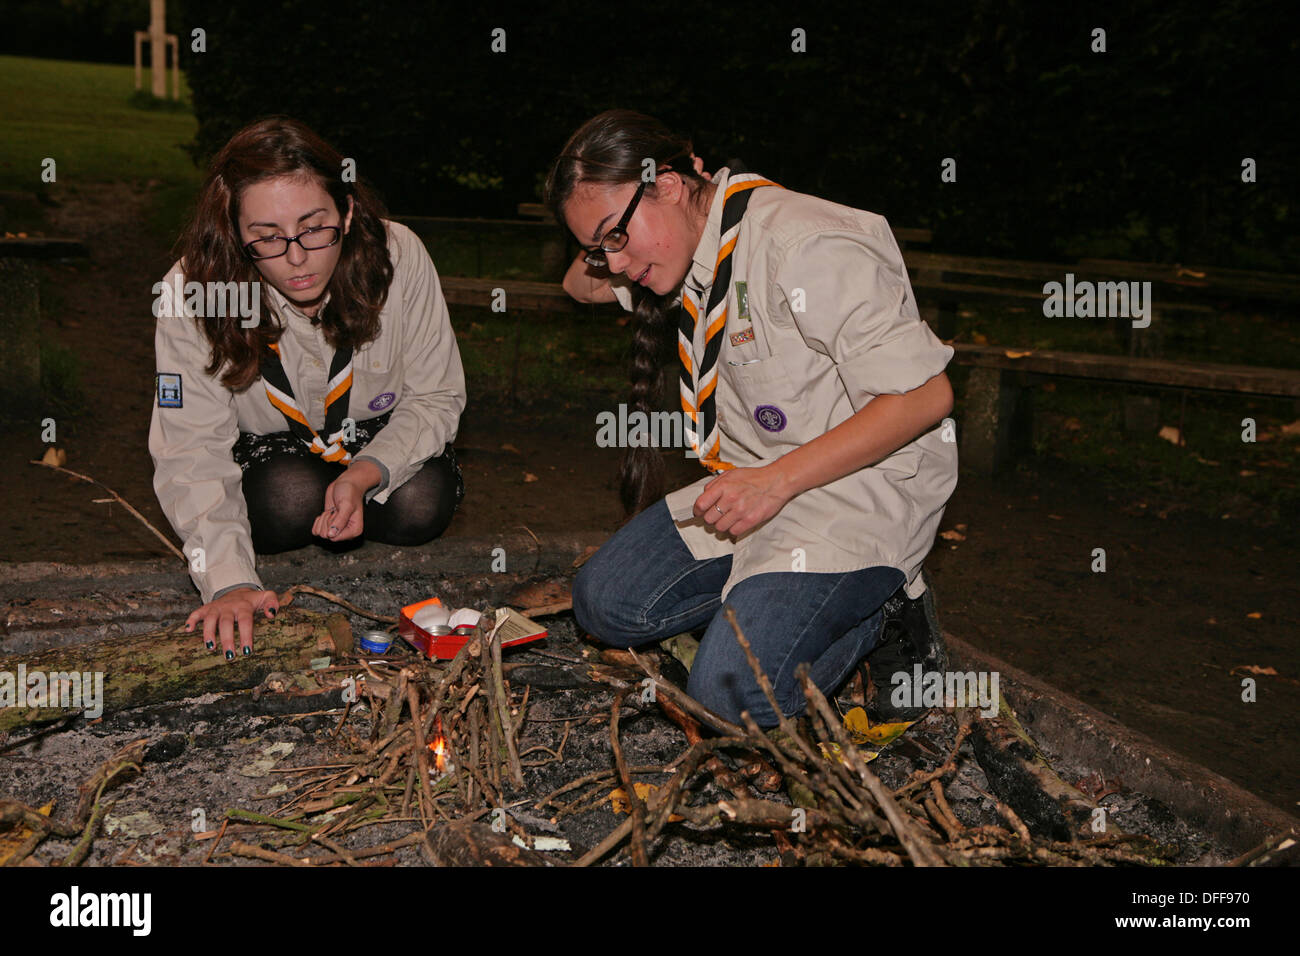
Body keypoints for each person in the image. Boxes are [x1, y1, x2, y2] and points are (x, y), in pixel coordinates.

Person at [547, 110, 957, 727]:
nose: (617, 264)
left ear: (668, 185)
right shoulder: (688, 246)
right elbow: (578, 288)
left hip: (856, 489)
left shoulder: (803, 243)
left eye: (616, 237)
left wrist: (775, 483)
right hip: (752, 485)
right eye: (599, 245)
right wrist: (609, 234)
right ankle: (766, 606)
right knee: (603, 605)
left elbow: (926, 397)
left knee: (729, 694)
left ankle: (885, 608)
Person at [149, 117, 465, 660]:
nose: (296, 258)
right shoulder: (192, 290)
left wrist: (365, 473)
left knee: (421, 501)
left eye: (314, 228)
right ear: (233, 233)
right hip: (269, 450)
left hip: (374, 435)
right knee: (286, 496)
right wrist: (228, 582)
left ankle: (355, 495)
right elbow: (190, 445)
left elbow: (436, 395)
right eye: (267, 238)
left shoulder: (399, 254)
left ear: (346, 210)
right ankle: (304, 511)